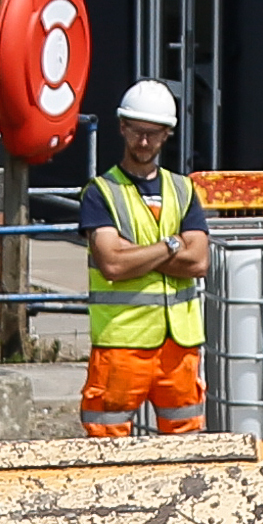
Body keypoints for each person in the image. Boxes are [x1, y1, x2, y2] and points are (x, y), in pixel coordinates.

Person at [78, 79, 208, 437]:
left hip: (178, 345)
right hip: (121, 342)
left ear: (167, 134)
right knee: (107, 445)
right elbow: (113, 264)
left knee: (186, 450)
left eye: (154, 133)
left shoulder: (183, 189)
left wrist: (134, 251)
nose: (144, 141)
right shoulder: (100, 192)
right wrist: (170, 245)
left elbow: (198, 262)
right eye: (137, 131)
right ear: (122, 127)